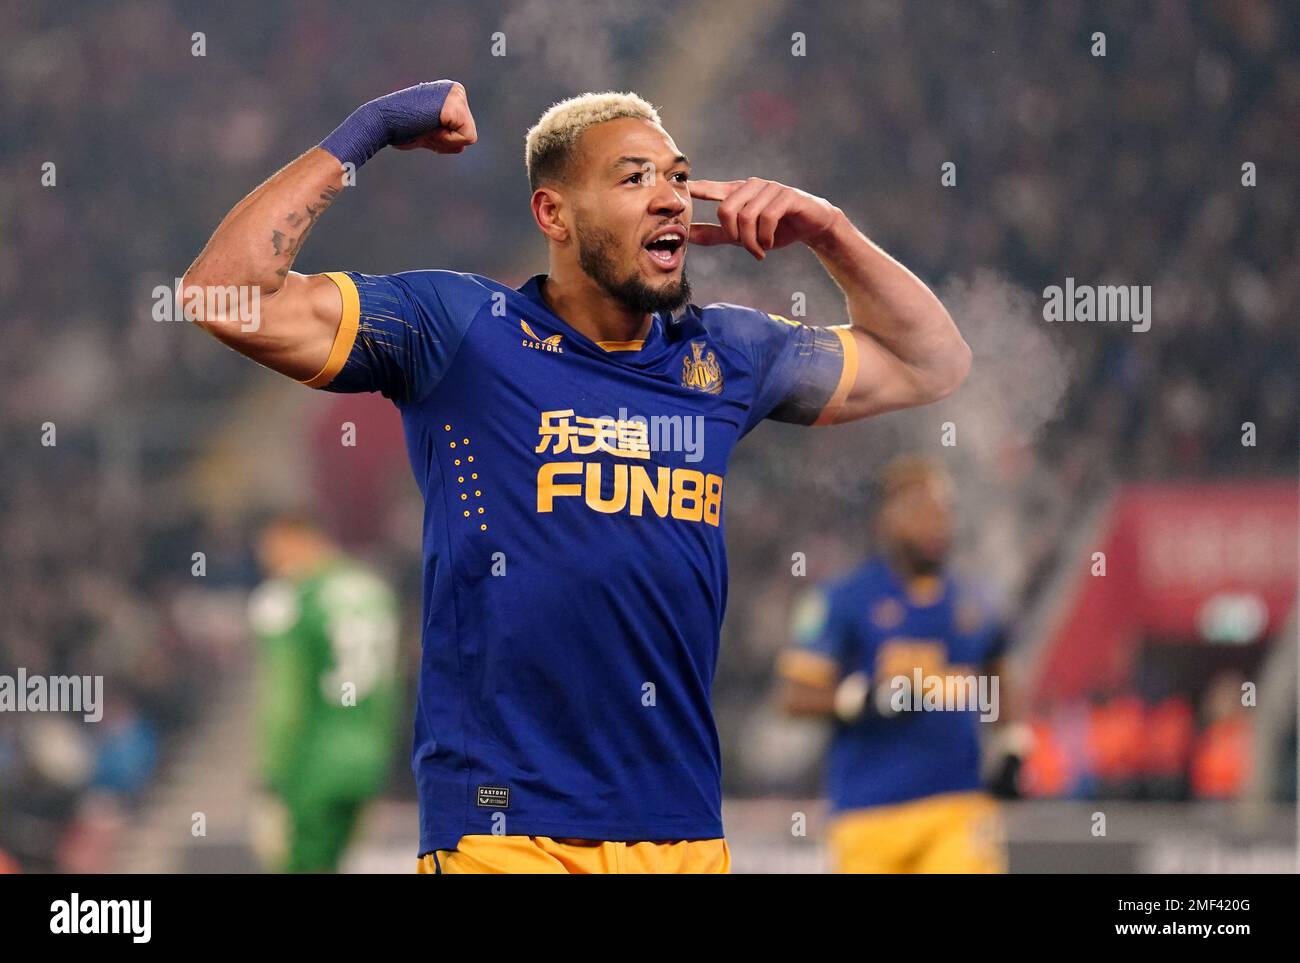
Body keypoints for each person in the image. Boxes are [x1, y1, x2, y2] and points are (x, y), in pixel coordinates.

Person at [183, 81, 970, 874]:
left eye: (677, 176)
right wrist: (371, 128)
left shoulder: (727, 353)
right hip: (505, 831)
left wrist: (828, 231)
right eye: (634, 179)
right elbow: (222, 295)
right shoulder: (459, 331)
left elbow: (932, 363)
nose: (669, 198)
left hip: (685, 835)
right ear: (554, 214)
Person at [778, 455, 1028, 873]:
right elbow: (794, 695)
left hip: (957, 806)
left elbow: (998, 668)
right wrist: (863, 699)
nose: (933, 524)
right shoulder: (842, 600)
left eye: (941, 512)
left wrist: (1013, 744)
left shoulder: (976, 601)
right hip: (868, 813)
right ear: (885, 520)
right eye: (918, 511)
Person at [248, 513, 400, 873]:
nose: (272, 566)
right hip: (367, 759)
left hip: (312, 764)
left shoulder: (295, 598)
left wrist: (270, 781)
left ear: (295, 540)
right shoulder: (374, 590)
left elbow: (284, 699)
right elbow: (390, 689)